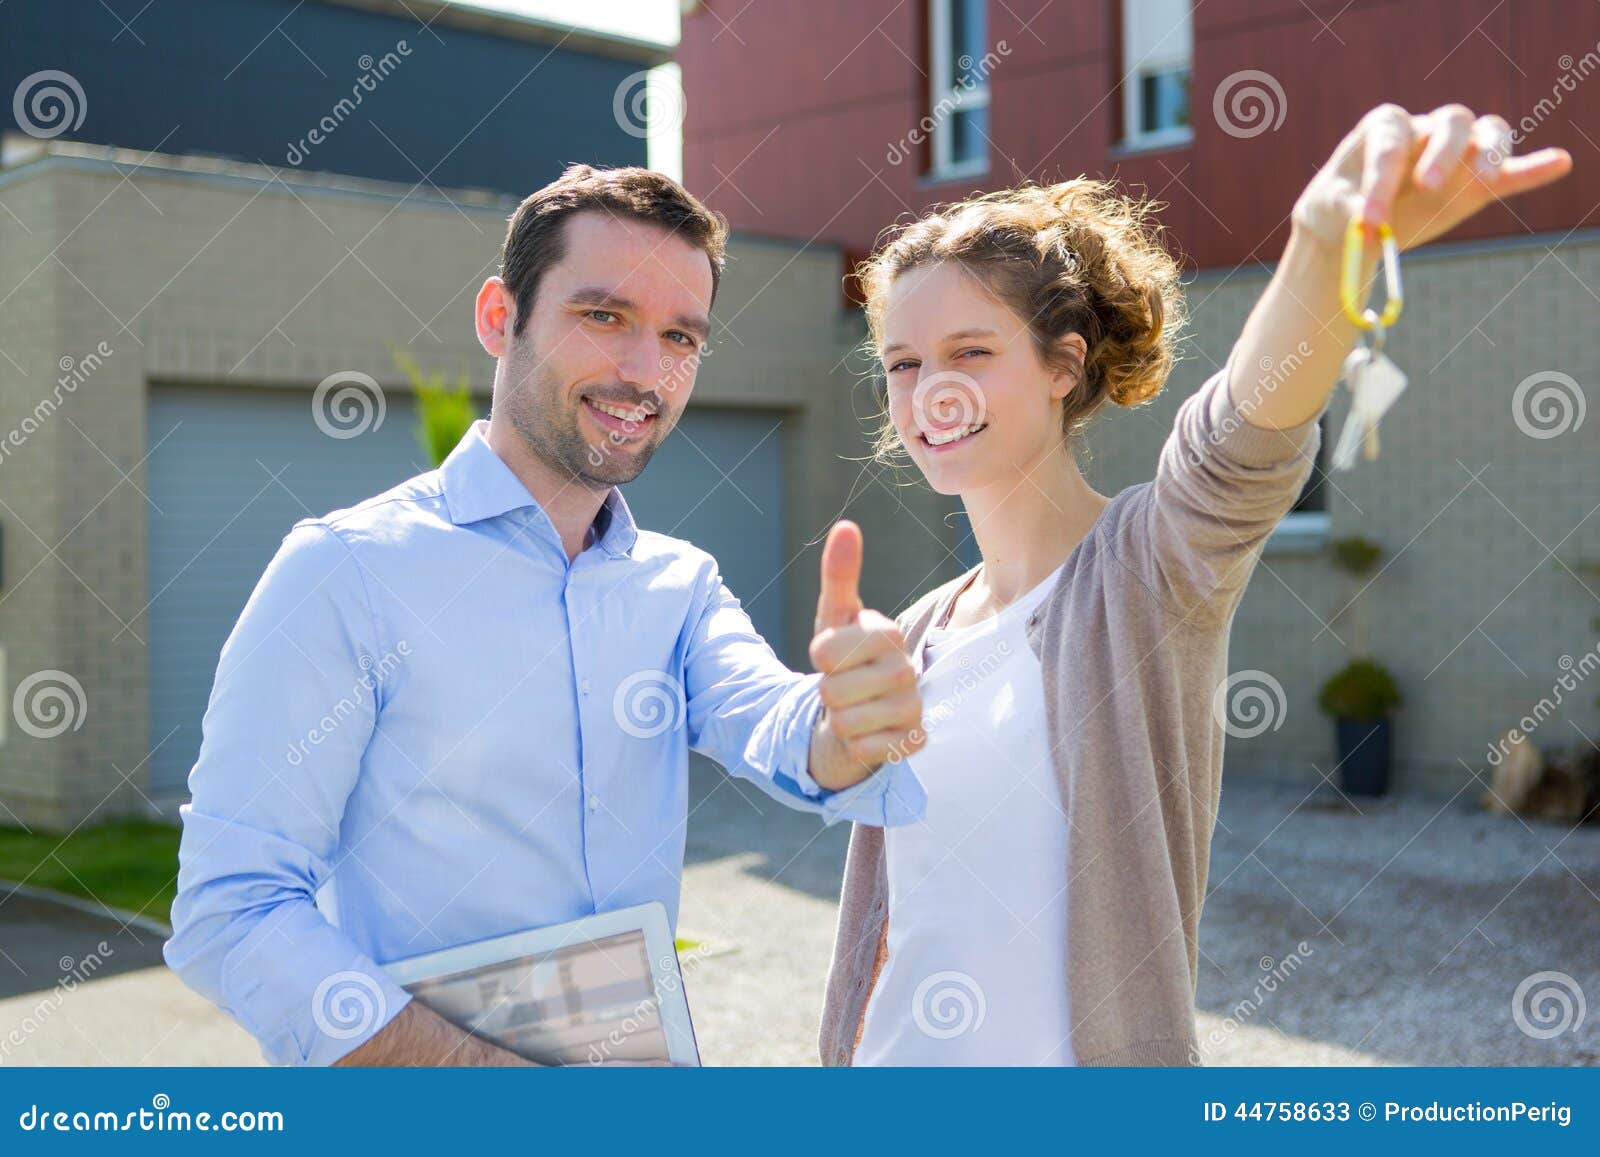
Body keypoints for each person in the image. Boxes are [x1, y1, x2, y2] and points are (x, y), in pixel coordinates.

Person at [819, 104, 1571, 1066]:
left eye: (971, 351)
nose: (933, 391)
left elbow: (1238, 445)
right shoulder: (918, 630)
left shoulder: (1142, 567)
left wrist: (1323, 243)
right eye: (903, 363)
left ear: (1063, 364)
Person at [164, 164, 928, 1067]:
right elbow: (233, 906)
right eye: (603, 316)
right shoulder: (347, 571)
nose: (645, 372)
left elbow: (769, 715)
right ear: (500, 317)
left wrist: (844, 732)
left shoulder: (676, 586)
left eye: (680, 335)